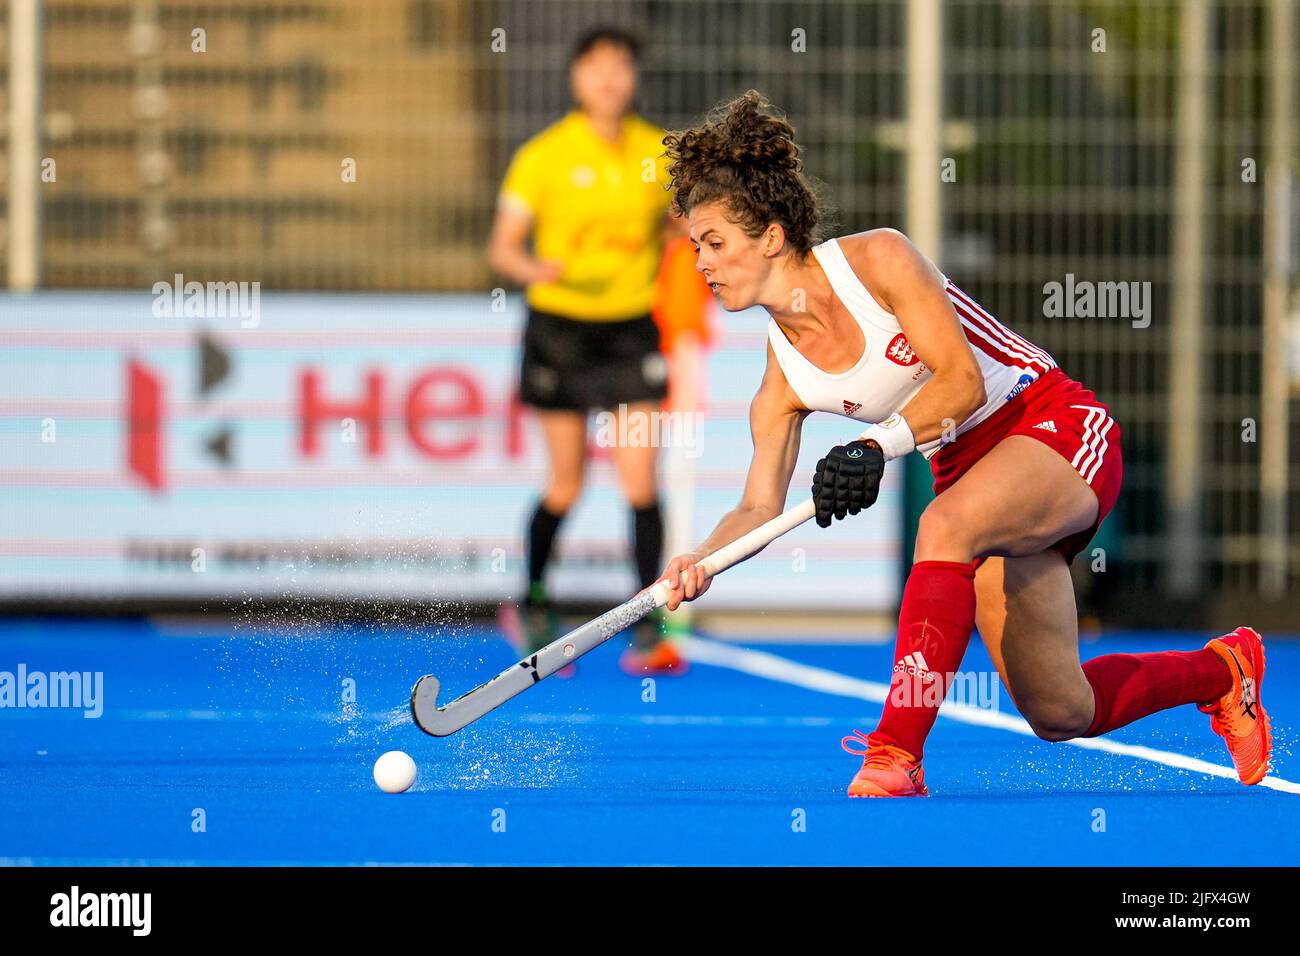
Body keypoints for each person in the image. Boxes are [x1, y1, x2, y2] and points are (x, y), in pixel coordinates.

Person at [651, 90, 1271, 796]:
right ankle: (1225, 671)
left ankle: (895, 753)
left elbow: (962, 384)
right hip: (973, 481)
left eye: (714, 242)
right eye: (697, 246)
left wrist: (873, 448)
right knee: (1063, 709)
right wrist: (701, 559)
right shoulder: (781, 381)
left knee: (942, 524)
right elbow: (758, 506)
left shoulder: (877, 263)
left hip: (1054, 426)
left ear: (769, 236)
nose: (702, 262)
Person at [487, 27, 687, 673]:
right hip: (561, 331)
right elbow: (503, 247)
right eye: (596, 68)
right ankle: (535, 600)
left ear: (634, 78)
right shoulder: (543, 156)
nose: (608, 80)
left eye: (621, 68)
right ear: (576, 78)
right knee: (566, 483)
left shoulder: (657, 151)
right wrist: (531, 267)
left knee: (640, 479)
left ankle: (647, 617)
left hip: (630, 331)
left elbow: (675, 221)